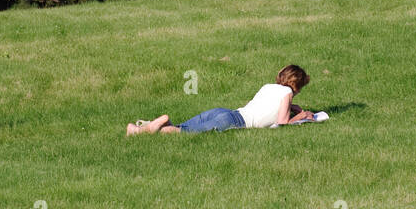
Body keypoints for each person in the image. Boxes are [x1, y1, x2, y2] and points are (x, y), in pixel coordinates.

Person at [127, 65, 314, 135]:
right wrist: (302, 116)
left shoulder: (269, 87)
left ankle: (139, 129)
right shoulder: (287, 94)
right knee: (179, 133)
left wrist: (293, 108)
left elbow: (266, 107)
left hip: (227, 112)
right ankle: (154, 129)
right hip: (235, 122)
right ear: (296, 85)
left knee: (183, 127)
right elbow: (281, 123)